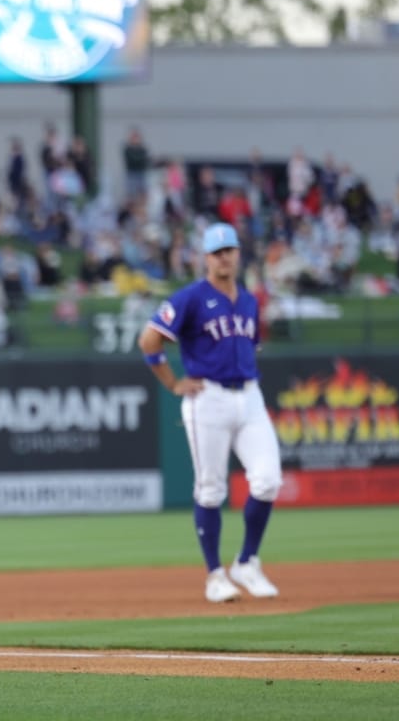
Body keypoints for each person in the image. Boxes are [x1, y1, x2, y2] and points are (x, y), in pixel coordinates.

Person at [137, 222, 282, 604]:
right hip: (209, 398)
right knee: (211, 489)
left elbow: (253, 345)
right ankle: (215, 575)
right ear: (206, 258)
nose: (224, 258)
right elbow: (149, 339)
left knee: (267, 480)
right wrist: (172, 383)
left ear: (237, 254)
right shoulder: (190, 298)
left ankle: (247, 562)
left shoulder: (249, 300)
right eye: (217, 252)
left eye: (229, 250)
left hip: (249, 395)